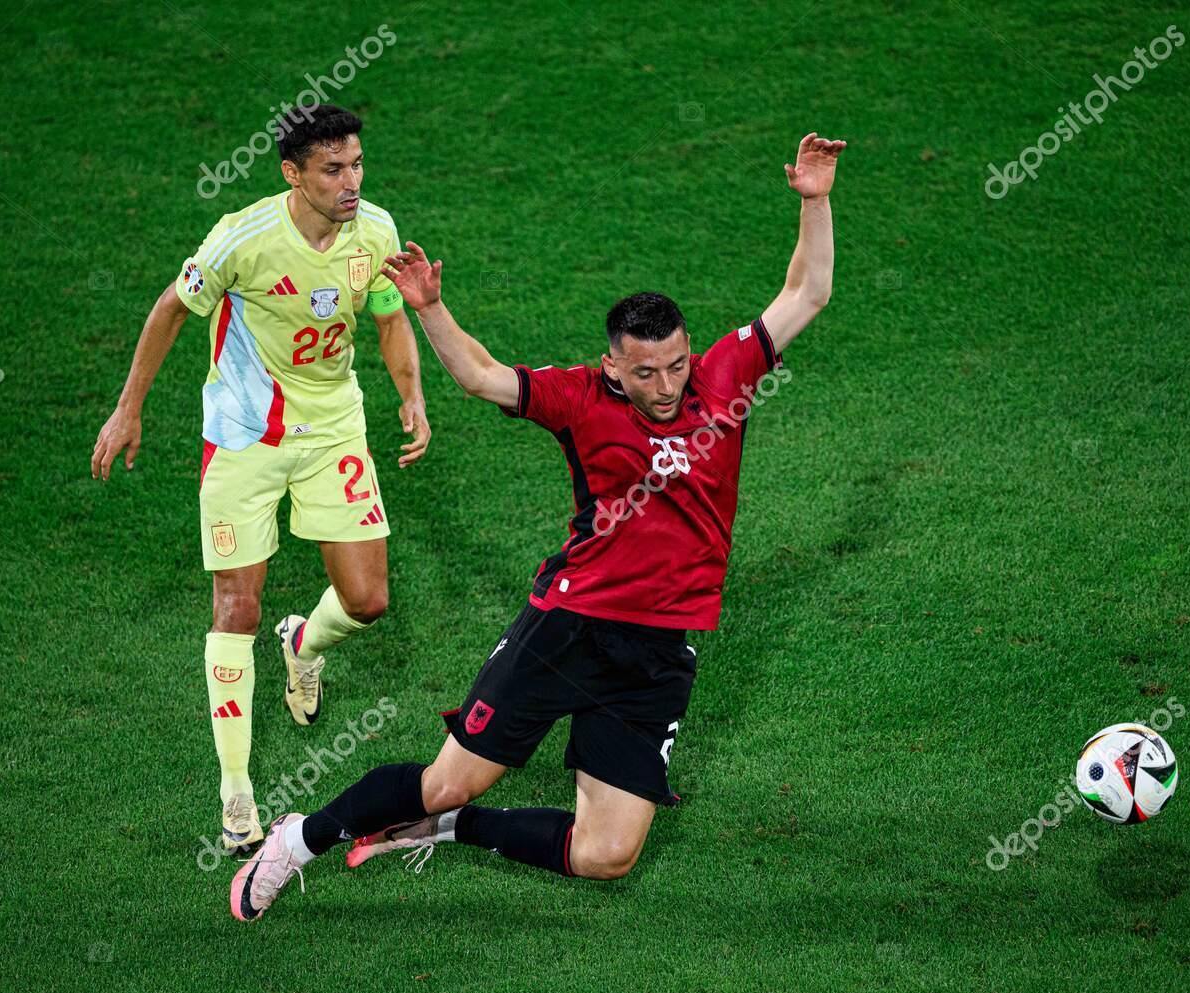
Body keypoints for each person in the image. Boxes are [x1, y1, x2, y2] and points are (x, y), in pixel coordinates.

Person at [231, 133, 845, 921]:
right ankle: (297, 840)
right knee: (443, 777)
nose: (665, 386)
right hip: (571, 626)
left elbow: (807, 293)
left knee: (607, 853)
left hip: (658, 650)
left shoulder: (725, 377)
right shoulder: (581, 397)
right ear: (613, 364)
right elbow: (484, 376)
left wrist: (815, 199)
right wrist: (431, 309)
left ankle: (452, 831)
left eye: (677, 365)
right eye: (646, 371)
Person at [92, 105, 430, 854]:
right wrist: (128, 409)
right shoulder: (242, 238)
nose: (352, 182)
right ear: (293, 173)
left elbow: (387, 315)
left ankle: (304, 643)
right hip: (243, 437)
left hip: (334, 427)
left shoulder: (373, 231)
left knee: (368, 600)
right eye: (333, 170)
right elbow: (170, 309)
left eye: (358, 165)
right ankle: (237, 791)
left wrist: (410, 392)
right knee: (235, 606)